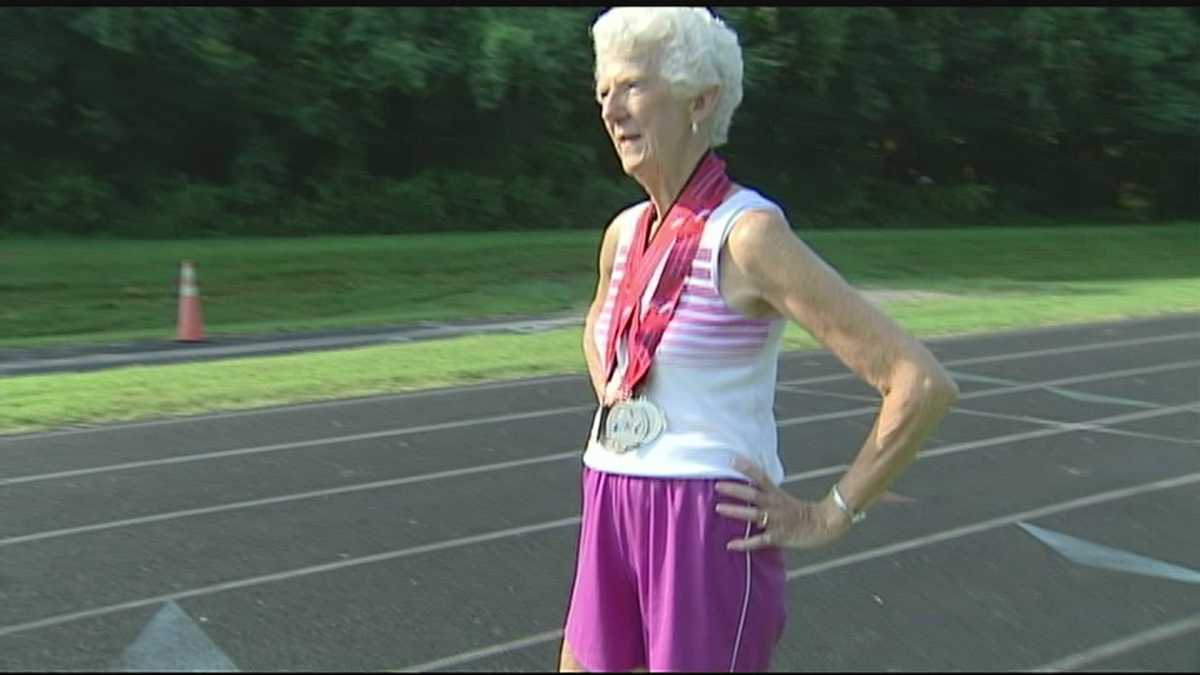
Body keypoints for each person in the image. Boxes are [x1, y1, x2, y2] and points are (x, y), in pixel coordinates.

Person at [560, 7, 959, 672]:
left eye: (631, 86)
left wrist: (830, 513)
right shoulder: (623, 233)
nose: (610, 108)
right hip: (611, 493)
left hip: (702, 518)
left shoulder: (748, 235)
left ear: (700, 101)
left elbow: (918, 382)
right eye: (603, 91)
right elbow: (600, 324)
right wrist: (617, 385)